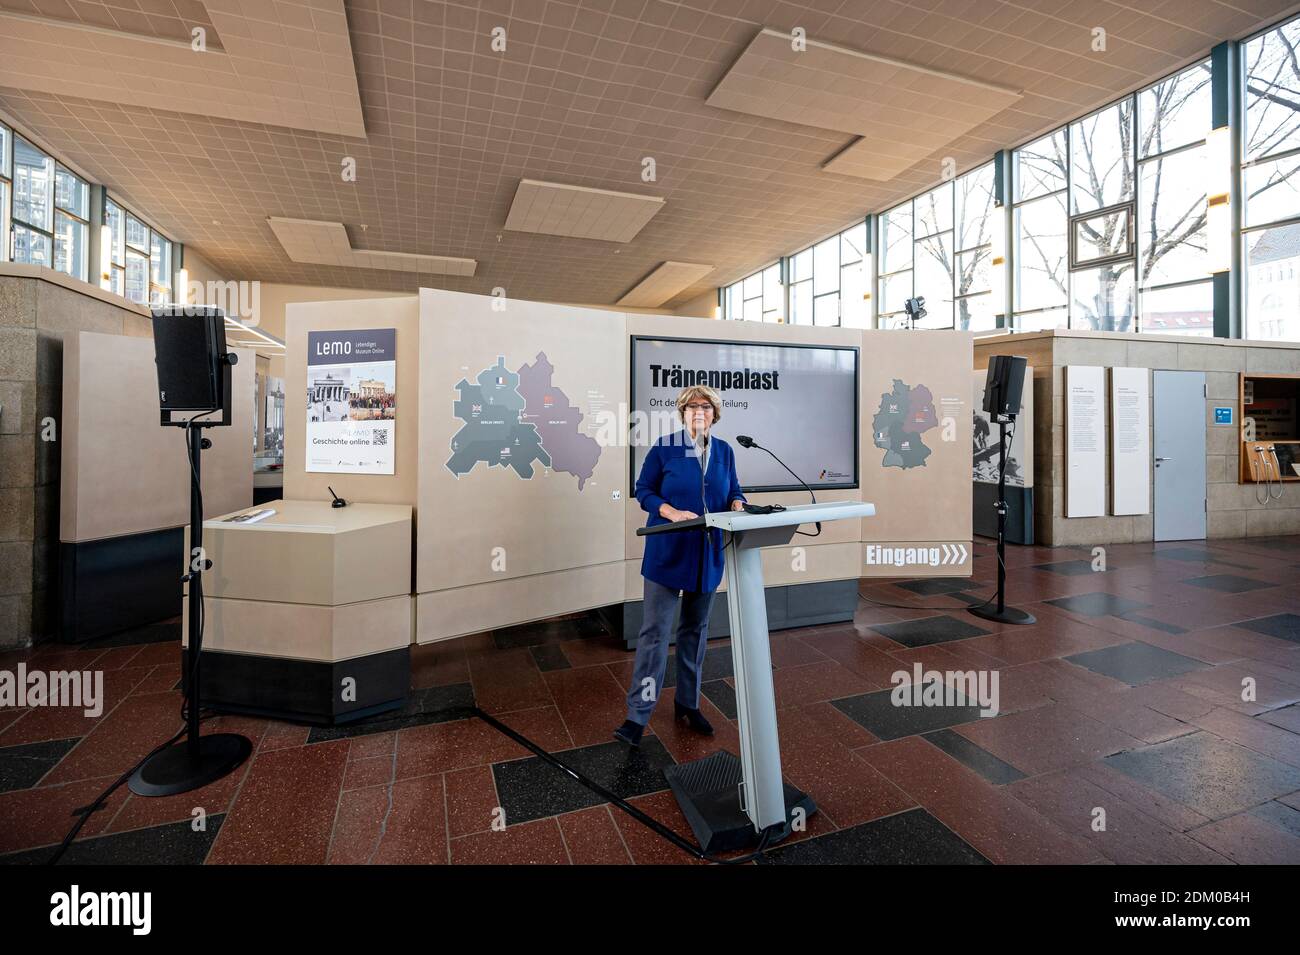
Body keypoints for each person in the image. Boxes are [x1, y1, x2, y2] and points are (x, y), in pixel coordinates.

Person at [614, 385, 747, 747]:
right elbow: (644, 490)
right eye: (691, 406)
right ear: (682, 413)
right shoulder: (664, 447)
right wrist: (669, 511)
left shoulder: (725, 451)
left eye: (705, 406)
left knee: (695, 631)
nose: (698, 411)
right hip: (667, 552)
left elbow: (735, 489)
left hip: (707, 554)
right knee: (655, 634)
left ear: (715, 414)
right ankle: (637, 715)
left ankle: (687, 703)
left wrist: (737, 503)